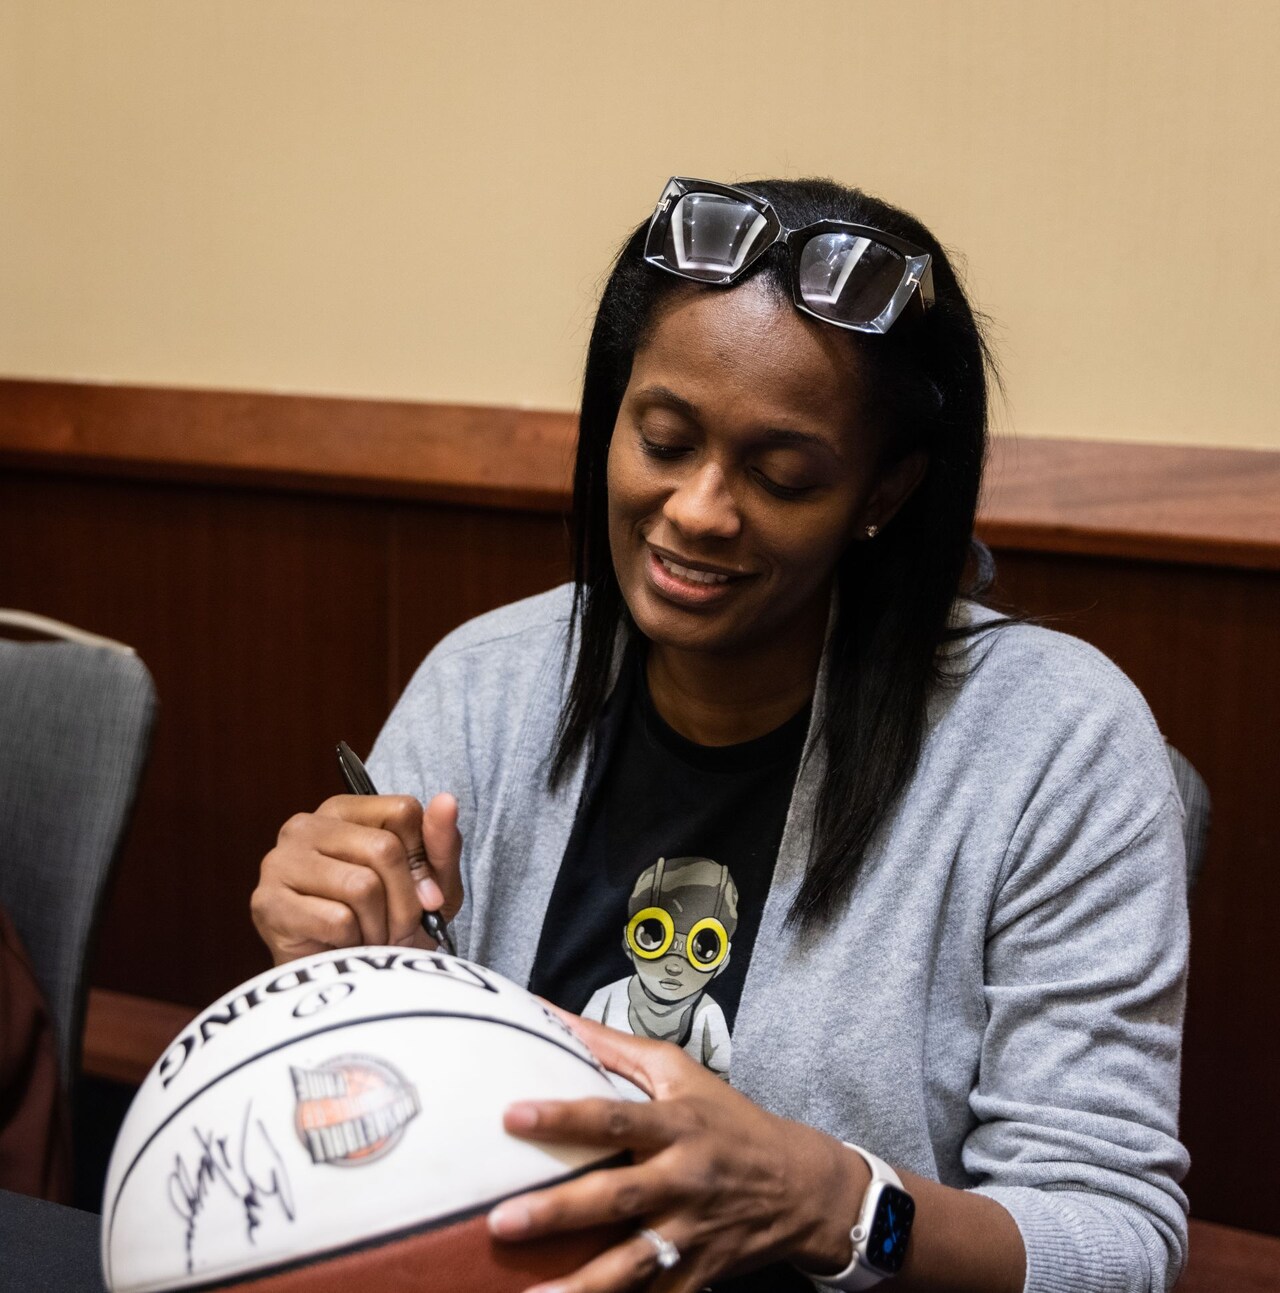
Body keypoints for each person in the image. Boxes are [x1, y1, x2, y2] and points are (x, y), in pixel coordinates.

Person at [252, 176, 1189, 1292]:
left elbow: (1119, 1243)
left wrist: (838, 1206)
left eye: (781, 476)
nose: (698, 508)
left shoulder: (1052, 746)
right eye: (662, 440)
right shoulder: (486, 684)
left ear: (882, 492)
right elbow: (366, 1129)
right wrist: (343, 978)